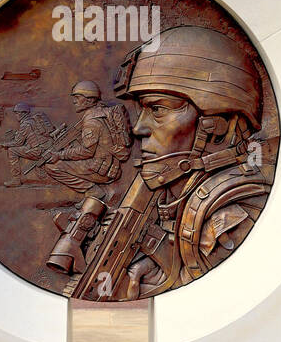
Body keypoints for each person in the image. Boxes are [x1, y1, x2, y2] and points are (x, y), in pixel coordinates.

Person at [52, 27, 269, 299]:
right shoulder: (170, 189)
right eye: (141, 110)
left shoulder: (234, 214)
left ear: (217, 127)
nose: (139, 128)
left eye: (158, 109)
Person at [40, 81, 131, 193]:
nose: (74, 101)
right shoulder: (101, 111)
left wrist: (59, 155)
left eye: (77, 97)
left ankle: (93, 191)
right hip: (109, 165)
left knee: (51, 166)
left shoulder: (91, 121)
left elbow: (86, 152)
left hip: (101, 170)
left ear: (90, 100)